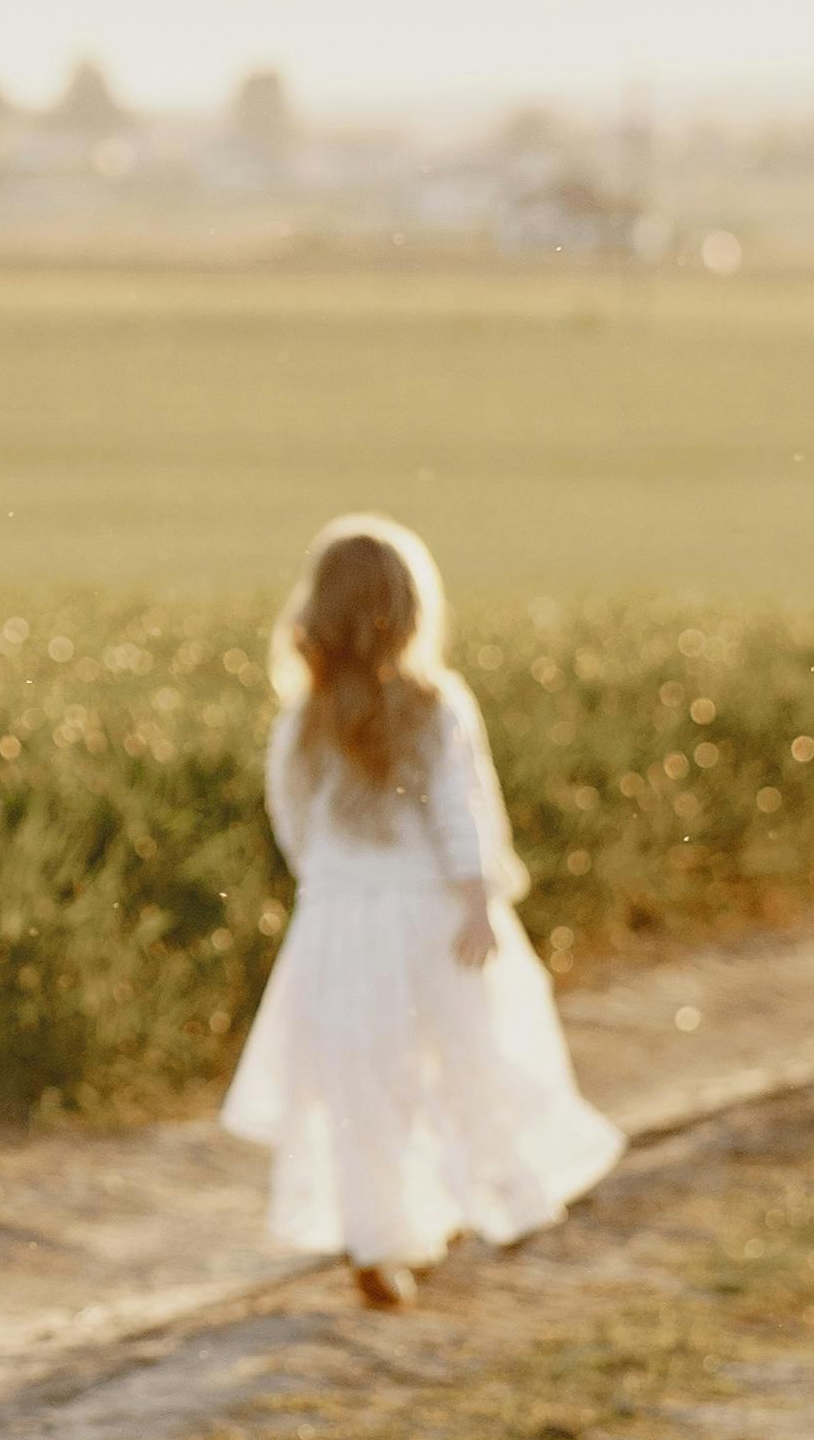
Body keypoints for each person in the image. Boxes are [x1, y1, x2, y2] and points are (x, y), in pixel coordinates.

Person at [215, 513, 623, 1308]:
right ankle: (460, 1203)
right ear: (408, 610)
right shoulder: (436, 706)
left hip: (337, 922)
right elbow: (460, 812)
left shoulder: (303, 717)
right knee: (457, 1062)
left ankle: (381, 1237)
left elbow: (291, 817)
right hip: (428, 918)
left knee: (360, 1080)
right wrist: (479, 903)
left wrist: (328, 886)